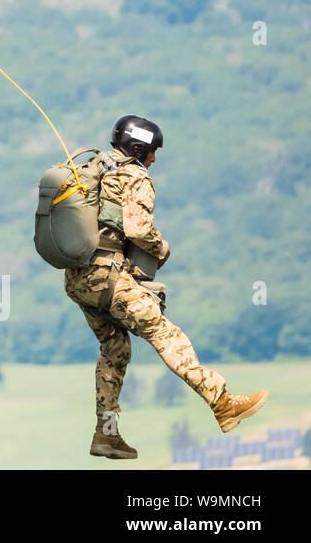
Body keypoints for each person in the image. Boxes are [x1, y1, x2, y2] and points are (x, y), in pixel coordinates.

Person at [65, 115, 267, 460]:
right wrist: (162, 249)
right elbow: (139, 228)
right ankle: (223, 403)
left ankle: (106, 433)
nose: (154, 159)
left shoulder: (92, 167)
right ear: (138, 148)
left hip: (78, 279)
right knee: (167, 336)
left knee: (114, 350)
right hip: (110, 278)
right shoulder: (135, 175)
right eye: (152, 152)